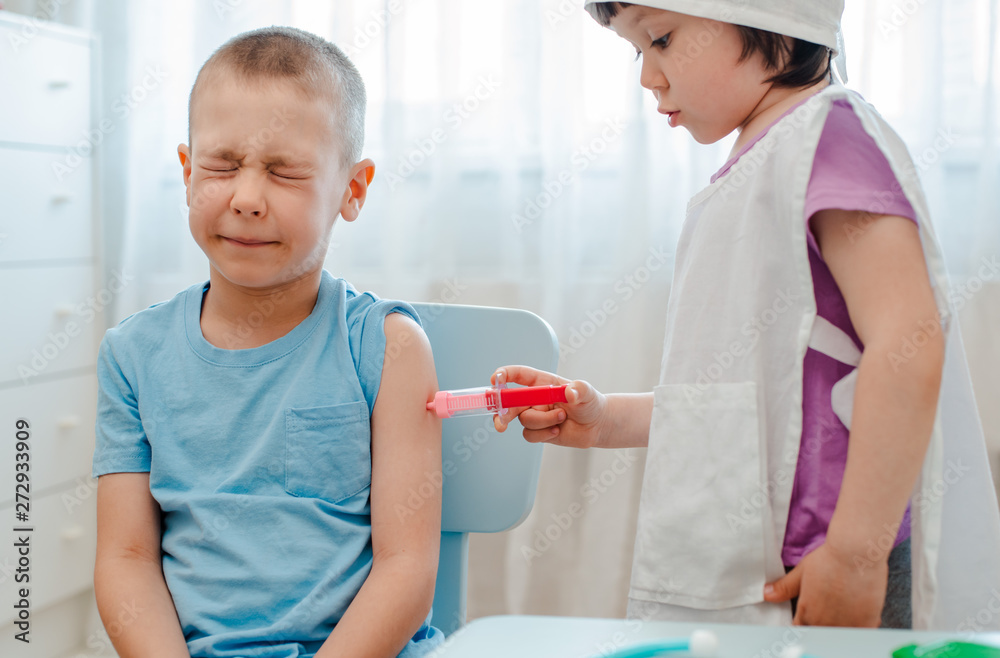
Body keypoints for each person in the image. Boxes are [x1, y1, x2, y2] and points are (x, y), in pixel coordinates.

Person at [494, 0, 1000, 630]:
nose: (648, 77)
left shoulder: (829, 137)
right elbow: (739, 404)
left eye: (662, 39)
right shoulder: (751, 171)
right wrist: (605, 422)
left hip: (831, 566)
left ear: (776, 22)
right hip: (768, 570)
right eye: (637, 51)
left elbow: (910, 342)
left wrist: (853, 555)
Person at [92, 27, 445, 657]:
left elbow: (407, 570)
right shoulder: (131, 356)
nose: (247, 198)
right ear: (187, 171)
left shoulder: (391, 347)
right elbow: (126, 558)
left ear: (352, 190)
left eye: (283, 173)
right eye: (222, 166)